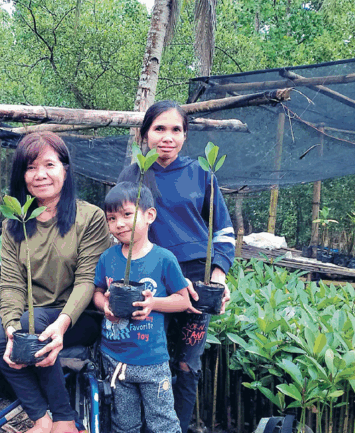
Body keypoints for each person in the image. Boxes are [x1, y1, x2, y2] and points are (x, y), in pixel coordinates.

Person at [118, 100, 235, 433]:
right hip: (148, 279)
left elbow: (223, 231)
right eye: (159, 129)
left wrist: (218, 277)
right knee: (146, 362)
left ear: (185, 136)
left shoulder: (201, 174)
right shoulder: (132, 175)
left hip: (197, 281)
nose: (167, 137)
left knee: (186, 364)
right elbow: (120, 228)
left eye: (176, 130)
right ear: (144, 134)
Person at [0, 131, 113, 433]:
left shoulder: (89, 217)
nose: (40, 174)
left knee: (36, 324)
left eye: (49, 165)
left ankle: (64, 420)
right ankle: (44, 420)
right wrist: (11, 327)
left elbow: (86, 280)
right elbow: (12, 284)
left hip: (75, 318)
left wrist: (62, 323)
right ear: (22, 176)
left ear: (65, 171)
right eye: (30, 167)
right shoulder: (13, 223)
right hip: (31, 317)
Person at [93, 182, 191, 433]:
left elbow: (183, 300)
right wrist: (104, 304)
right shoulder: (107, 258)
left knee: (163, 423)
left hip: (151, 361)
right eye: (111, 218)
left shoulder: (164, 259)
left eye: (127, 214)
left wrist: (154, 303)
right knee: (124, 424)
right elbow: (97, 292)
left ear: (150, 216)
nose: (119, 224)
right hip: (115, 359)